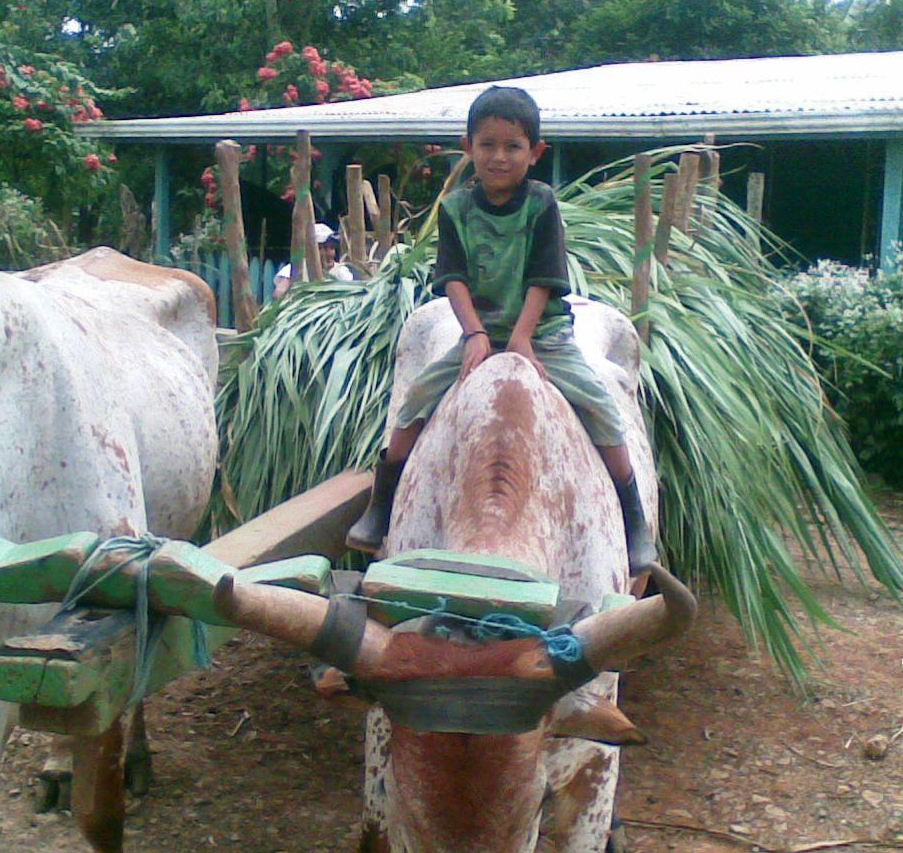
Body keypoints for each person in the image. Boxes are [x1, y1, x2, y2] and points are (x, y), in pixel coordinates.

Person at [346, 85, 656, 574]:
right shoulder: (455, 210)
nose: (498, 157)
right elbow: (452, 278)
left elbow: (545, 278)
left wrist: (522, 340)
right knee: (414, 404)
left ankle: (632, 514)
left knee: (600, 407)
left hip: (544, 335)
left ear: (535, 153)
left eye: (512, 146)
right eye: (487, 145)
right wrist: (473, 335)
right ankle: (382, 504)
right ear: (467, 146)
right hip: (481, 332)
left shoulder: (542, 205)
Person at [273, 222, 354, 298]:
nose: (329, 253)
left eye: (332, 248)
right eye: (323, 248)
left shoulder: (341, 271)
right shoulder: (298, 267)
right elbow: (280, 291)